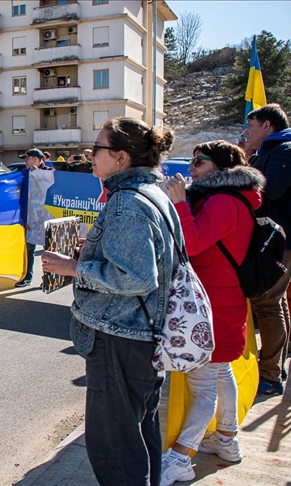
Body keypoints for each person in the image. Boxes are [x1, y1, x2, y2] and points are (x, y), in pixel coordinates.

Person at [41, 117, 179, 486]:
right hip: (138, 333)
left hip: (121, 337)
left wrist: (74, 268)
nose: (90, 155)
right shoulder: (152, 194)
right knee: (137, 436)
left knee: (114, 447)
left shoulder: (126, 204)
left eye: (97, 148)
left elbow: (135, 276)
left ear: (120, 158)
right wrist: (94, 252)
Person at [160, 141, 264, 485]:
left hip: (212, 303)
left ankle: (180, 457)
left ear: (220, 168)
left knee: (203, 385)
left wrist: (178, 203)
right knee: (221, 372)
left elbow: (193, 242)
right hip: (222, 297)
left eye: (199, 162)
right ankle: (226, 440)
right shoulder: (231, 198)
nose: (191, 168)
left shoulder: (222, 201)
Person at [243, 104, 291, 395]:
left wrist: (243, 165)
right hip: (275, 239)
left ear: (267, 126)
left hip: (281, 241)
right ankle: (274, 366)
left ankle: (270, 375)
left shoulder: (288, 151)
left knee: (267, 303)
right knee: (274, 301)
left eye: (252, 126)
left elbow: (268, 191)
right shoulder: (274, 151)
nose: (247, 133)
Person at [16, 149, 53, 288]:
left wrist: (38, 173)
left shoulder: (49, 172)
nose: (25, 161)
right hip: (30, 220)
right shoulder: (26, 174)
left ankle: (48, 279)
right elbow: (23, 198)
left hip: (46, 220)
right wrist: (23, 218)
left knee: (48, 251)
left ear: (36, 160)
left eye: (28, 158)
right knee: (29, 250)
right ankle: (27, 277)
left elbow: (49, 191)